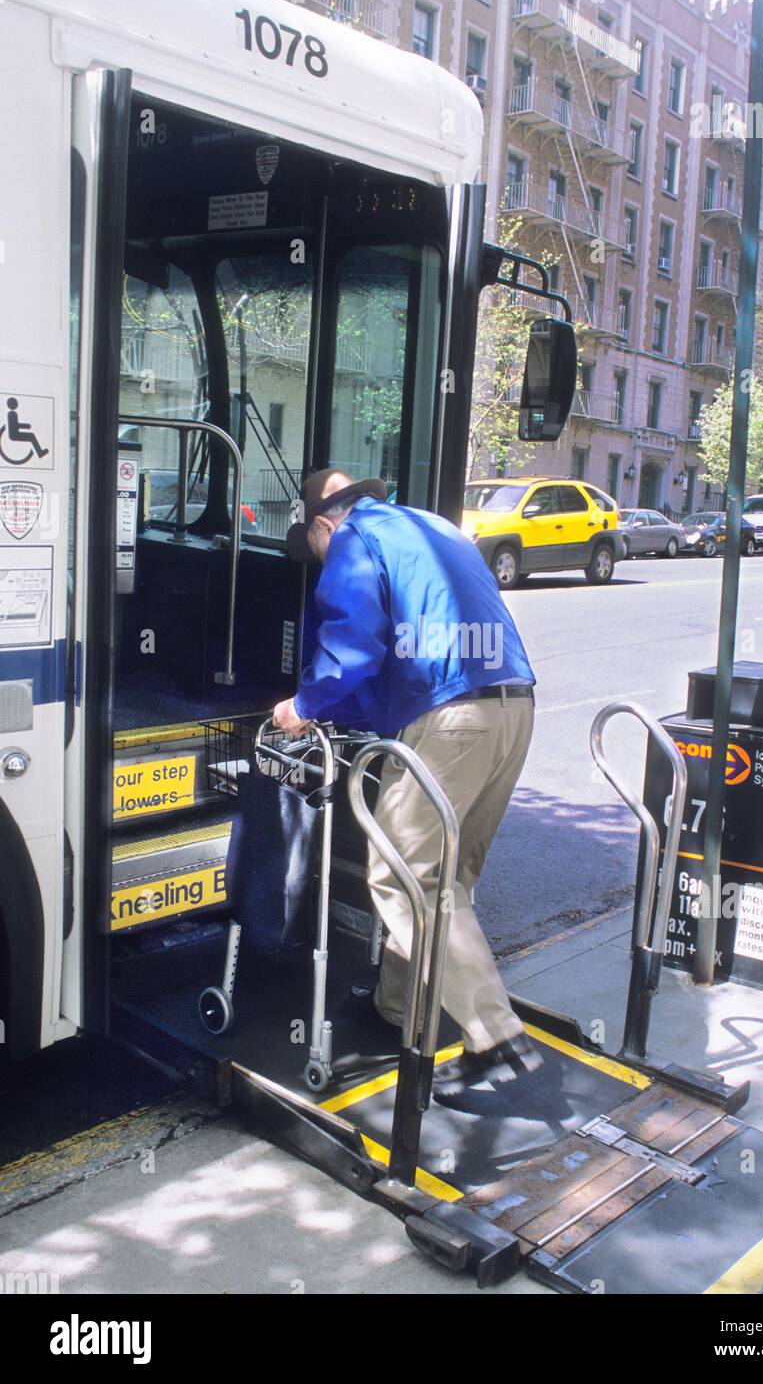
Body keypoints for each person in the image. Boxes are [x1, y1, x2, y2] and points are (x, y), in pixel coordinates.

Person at [272, 467, 541, 1095]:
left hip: (453, 720)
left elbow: (351, 649)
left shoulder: (353, 540)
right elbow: (391, 667)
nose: (316, 562)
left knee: (401, 876)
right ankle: (402, 1010)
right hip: (514, 710)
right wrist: (337, 711)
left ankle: (496, 1035)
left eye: (310, 548)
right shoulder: (432, 527)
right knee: (446, 881)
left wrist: (303, 707)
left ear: (321, 523)